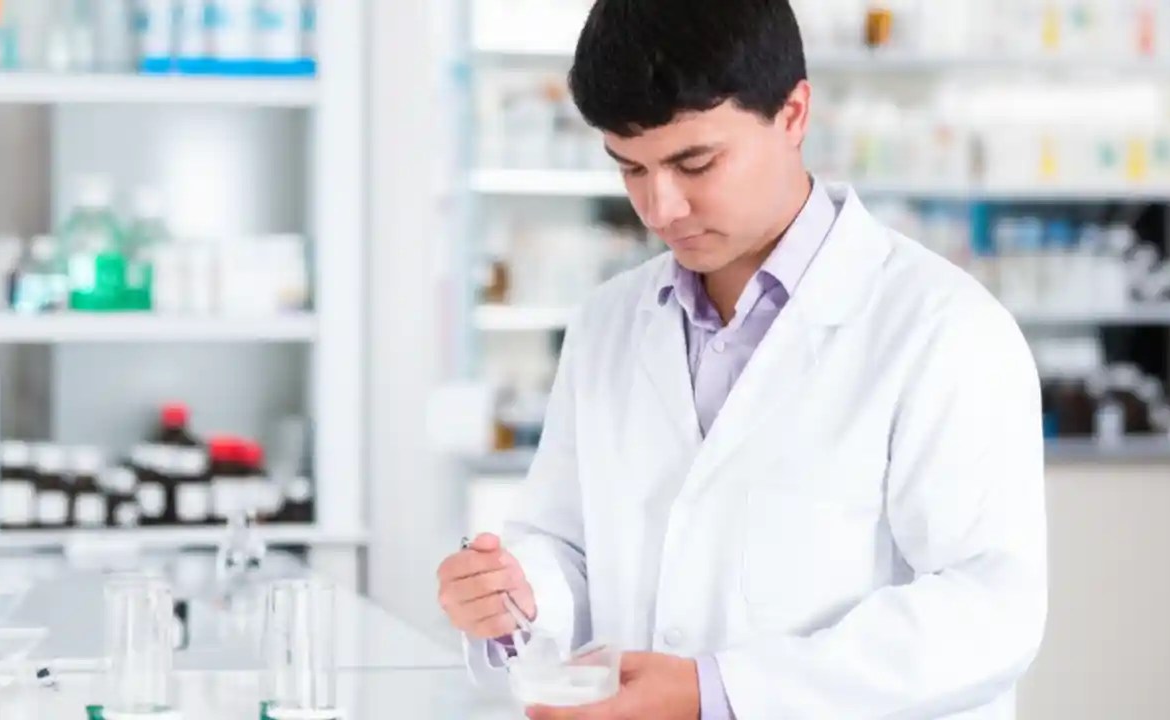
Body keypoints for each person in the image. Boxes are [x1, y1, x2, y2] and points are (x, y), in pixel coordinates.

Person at [436, 0, 1048, 717]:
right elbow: (565, 544)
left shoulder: (944, 329)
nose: (660, 208)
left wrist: (715, 691)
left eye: (694, 162)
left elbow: (986, 613)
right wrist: (514, 596)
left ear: (793, 115)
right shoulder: (607, 323)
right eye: (630, 169)